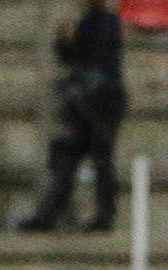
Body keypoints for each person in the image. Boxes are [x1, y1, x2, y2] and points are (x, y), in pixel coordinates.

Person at [18, 0, 126, 234]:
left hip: (97, 102)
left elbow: (86, 59)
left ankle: (83, 215)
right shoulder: (101, 21)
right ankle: (52, 214)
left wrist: (64, 39)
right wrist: (62, 37)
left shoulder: (101, 22)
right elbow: (76, 57)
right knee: (72, 158)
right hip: (95, 101)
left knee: (94, 159)